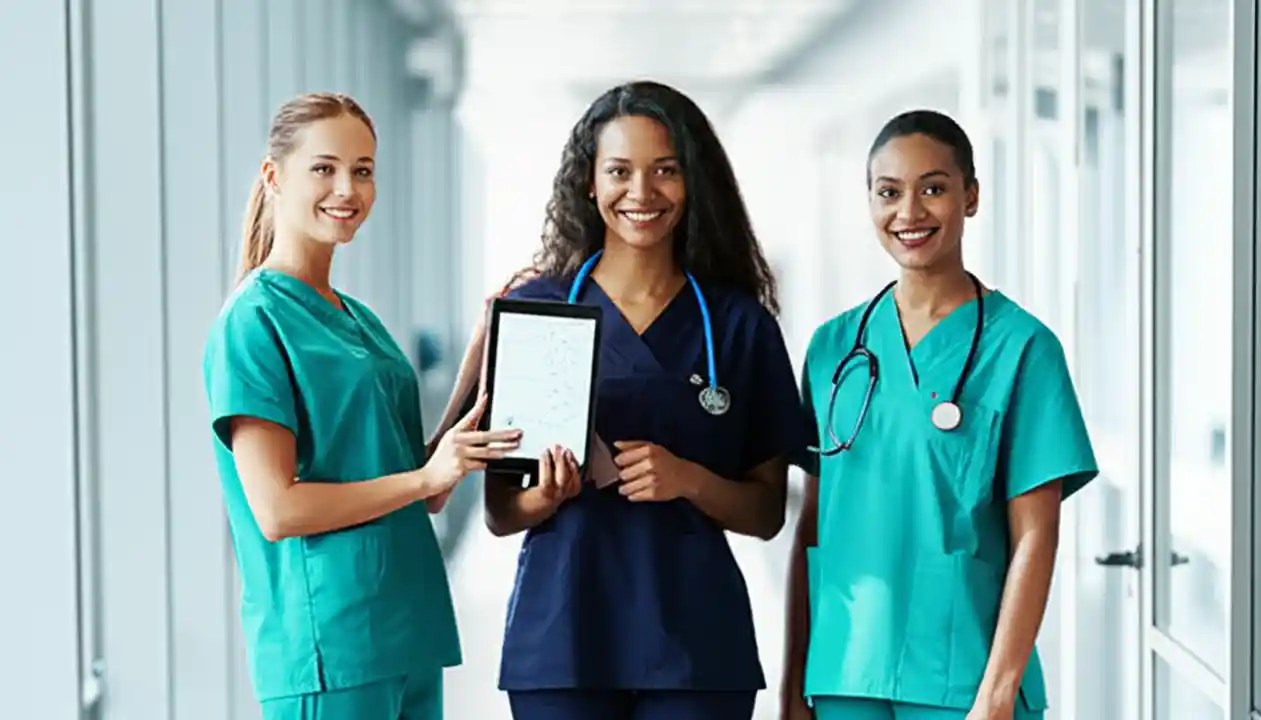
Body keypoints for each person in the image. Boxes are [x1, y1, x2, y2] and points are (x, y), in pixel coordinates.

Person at [482, 80, 809, 720]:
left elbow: (766, 511)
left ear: (695, 183)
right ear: (589, 182)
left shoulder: (739, 325)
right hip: (564, 640)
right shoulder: (540, 312)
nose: (642, 193)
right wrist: (543, 495)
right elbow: (500, 511)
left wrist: (686, 479)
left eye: (666, 171)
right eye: (620, 171)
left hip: (694, 647)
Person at [201, 91, 521, 720]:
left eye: (363, 170)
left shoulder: (359, 321)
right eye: (324, 168)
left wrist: (486, 343)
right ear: (274, 176)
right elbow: (278, 507)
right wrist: (426, 476)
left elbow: (420, 485)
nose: (347, 188)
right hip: (330, 647)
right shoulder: (253, 321)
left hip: (406, 632)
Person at [781, 110, 1097, 720]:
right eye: (889, 192)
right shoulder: (833, 349)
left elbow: (1037, 532)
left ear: (969, 196)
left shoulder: (1022, 348)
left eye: (933, 188)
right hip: (847, 675)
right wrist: (795, 686)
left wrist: (999, 693)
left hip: (966, 681)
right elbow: (814, 527)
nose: (910, 213)